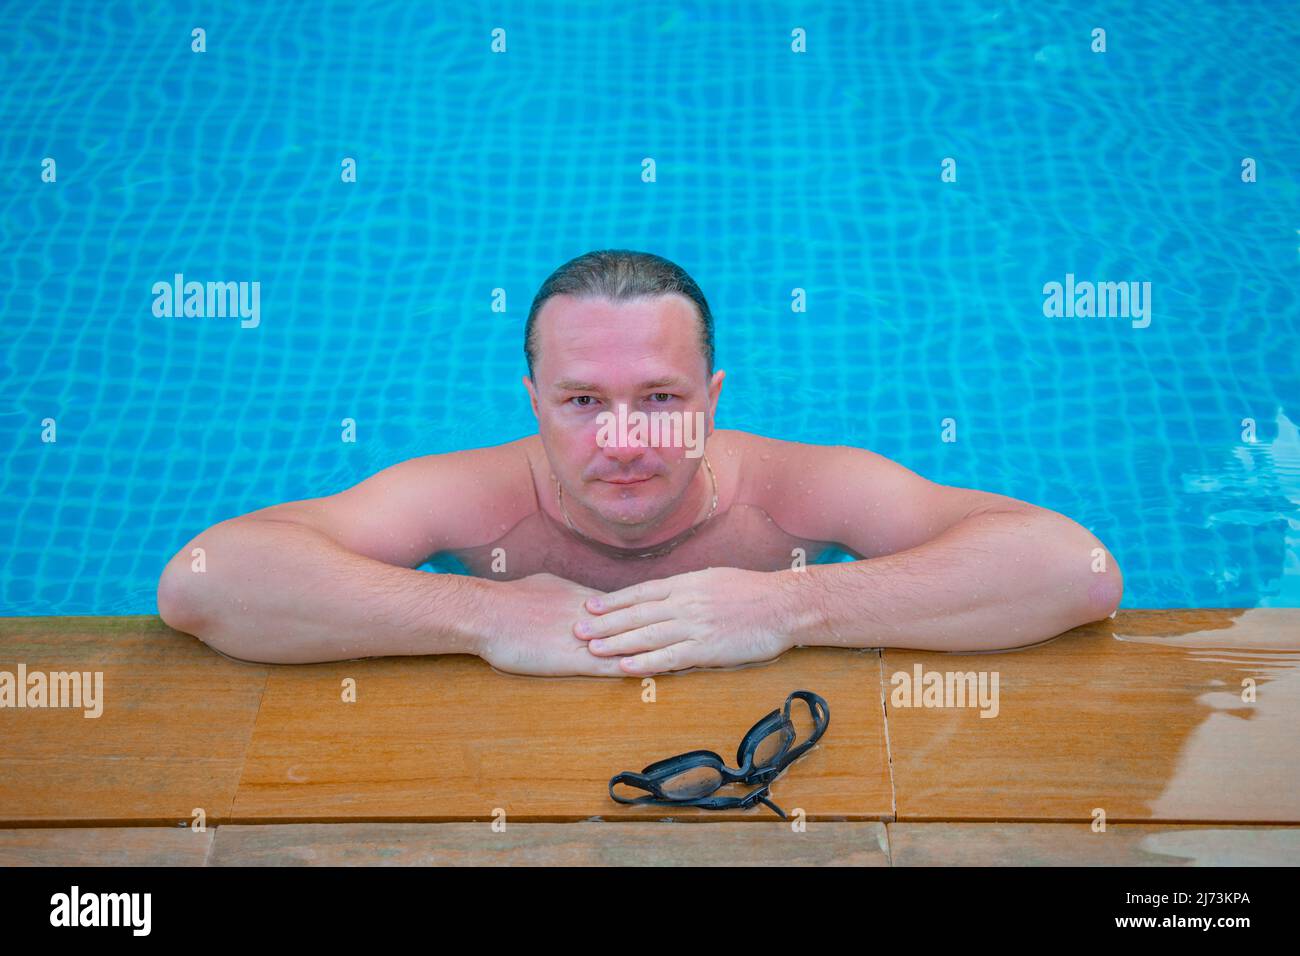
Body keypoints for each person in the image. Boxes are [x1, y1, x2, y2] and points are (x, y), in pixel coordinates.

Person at [157, 249, 1123, 676]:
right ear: (533, 404)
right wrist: (484, 617)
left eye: (660, 400)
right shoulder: (472, 504)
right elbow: (203, 585)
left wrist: (788, 607)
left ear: (712, 400)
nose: (623, 441)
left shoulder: (797, 499)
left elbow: (1073, 571)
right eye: (583, 403)